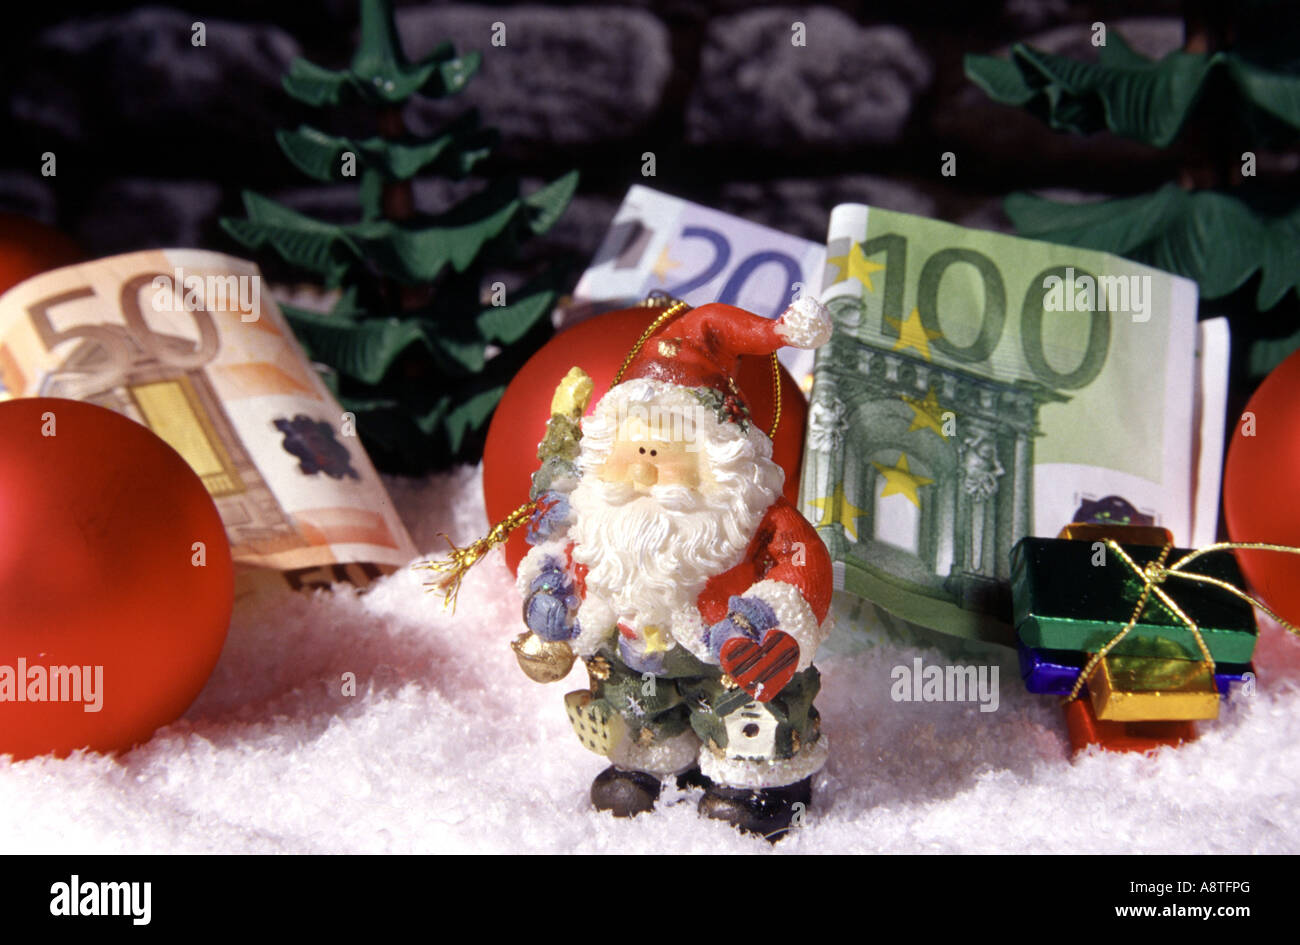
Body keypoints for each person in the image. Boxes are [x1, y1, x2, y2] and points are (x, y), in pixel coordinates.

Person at [516, 299, 835, 838]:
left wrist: (769, 617)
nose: (641, 468)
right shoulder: (599, 510)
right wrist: (551, 591)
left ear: (720, 460)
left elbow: (801, 566)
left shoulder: (752, 515)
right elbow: (572, 555)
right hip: (636, 656)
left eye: (661, 452)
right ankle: (653, 766)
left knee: (748, 711)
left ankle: (757, 785)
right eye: (632, 448)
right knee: (637, 705)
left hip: (726, 654)